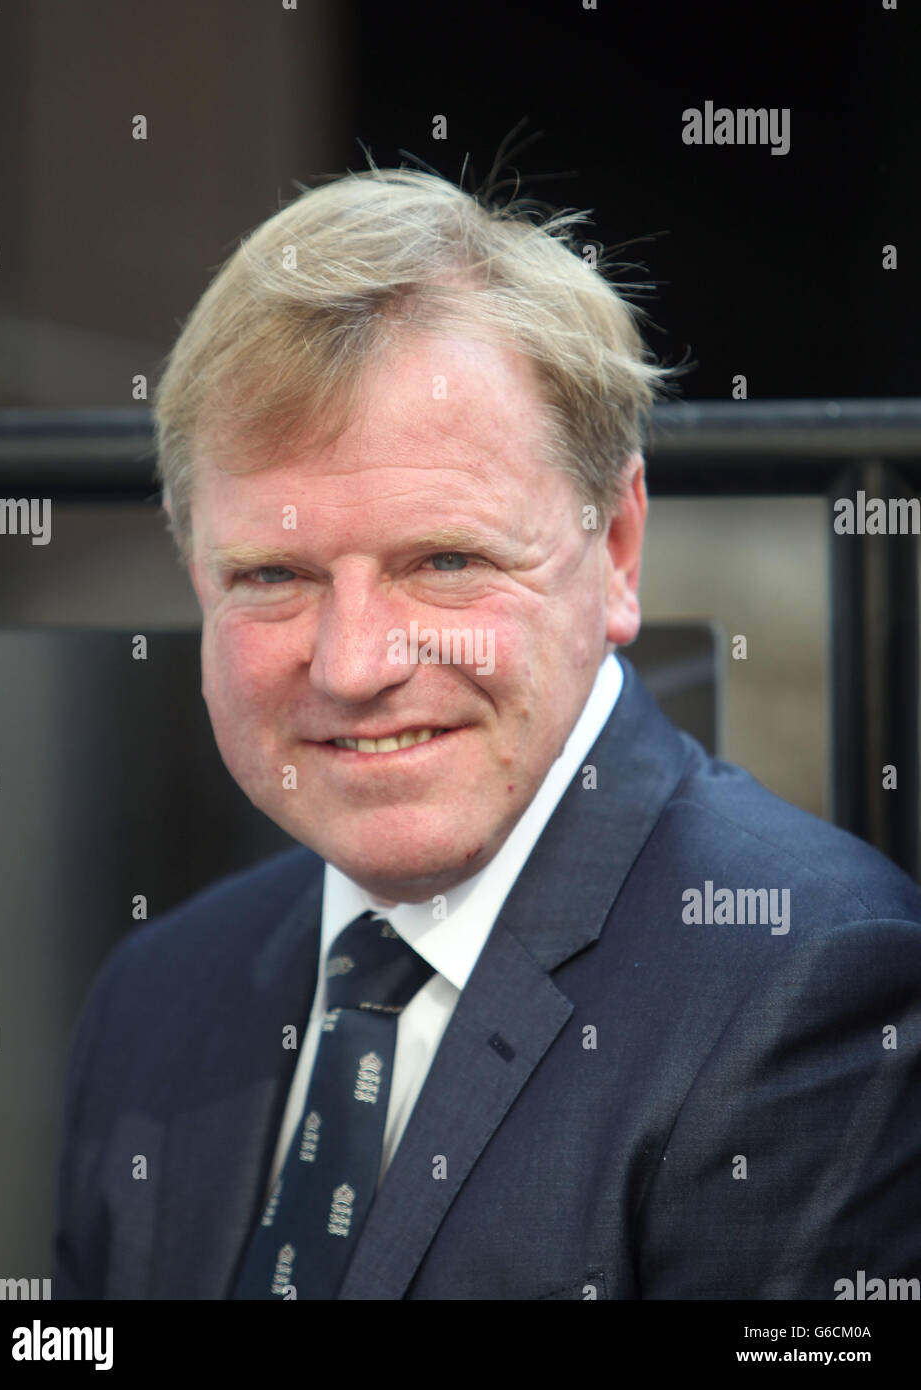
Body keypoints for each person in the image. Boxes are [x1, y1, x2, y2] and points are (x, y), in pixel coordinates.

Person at [51, 165, 921, 1300]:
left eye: (444, 562)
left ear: (613, 550)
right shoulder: (158, 994)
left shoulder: (808, 983)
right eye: (272, 575)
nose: (356, 663)